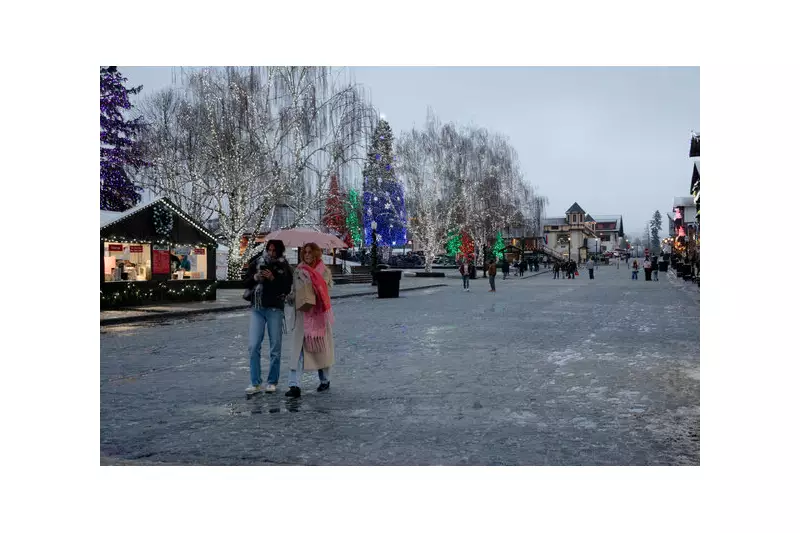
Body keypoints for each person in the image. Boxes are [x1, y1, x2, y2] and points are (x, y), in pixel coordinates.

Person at [285, 242, 335, 398]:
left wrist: (311, 283)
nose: (307, 255)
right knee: (297, 352)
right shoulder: (298, 271)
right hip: (302, 316)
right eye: (304, 252)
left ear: (316, 254)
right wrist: (290, 298)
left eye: (310, 252)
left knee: (320, 349)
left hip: (318, 317)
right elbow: (294, 293)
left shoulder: (324, 271)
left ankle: (325, 380)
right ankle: (294, 385)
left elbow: (324, 292)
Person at [244, 240, 293, 394]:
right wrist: (255, 278)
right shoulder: (257, 262)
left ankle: (272, 381)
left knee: (275, 348)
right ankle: (255, 382)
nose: (271, 253)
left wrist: (273, 278)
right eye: (269, 250)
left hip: (274, 309)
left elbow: (285, 288)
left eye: (274, 251)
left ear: (280, 251)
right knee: (253, 346)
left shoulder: (284, 266)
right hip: (257, 308)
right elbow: (244, 282)